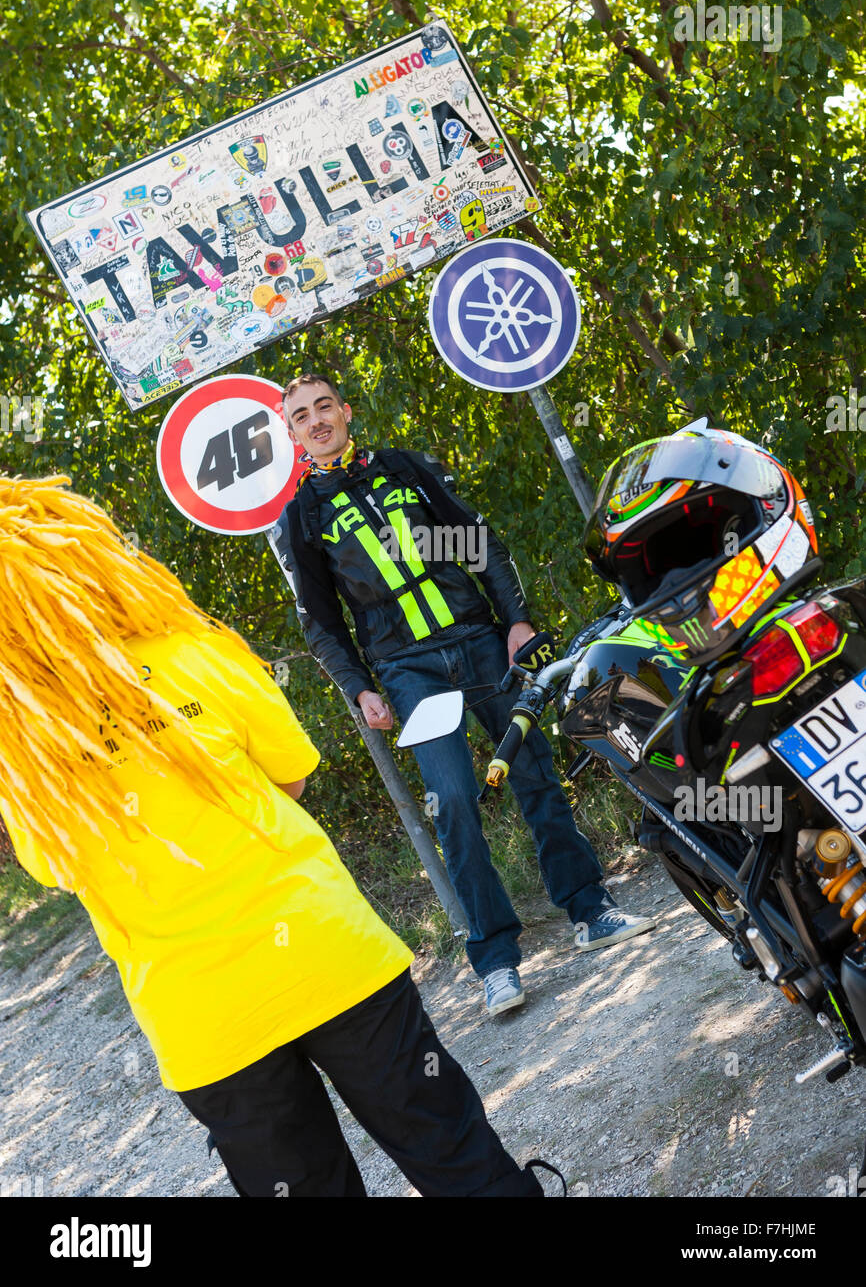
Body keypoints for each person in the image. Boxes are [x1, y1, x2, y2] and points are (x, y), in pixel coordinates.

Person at [0, 473, 548, 1197]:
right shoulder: (195, 651)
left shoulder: (24, 746)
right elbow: (289, 776)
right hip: (328, 953)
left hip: (205, 1020)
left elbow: (59, 869)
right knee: (454, 1152)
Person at [271, 373, 655, 1017]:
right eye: (300, 415)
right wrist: (359, 688)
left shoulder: (405, 469)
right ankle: (497, 960)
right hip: (407, 670)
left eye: (323, 407)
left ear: (345, 411)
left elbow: (481, 545)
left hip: (480, 642)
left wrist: (517, 623)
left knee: (534, 775)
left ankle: (590, 910)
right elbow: (322, 624)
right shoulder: (301, 517)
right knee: (452, 801)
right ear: (291, 433)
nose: (315, 421)